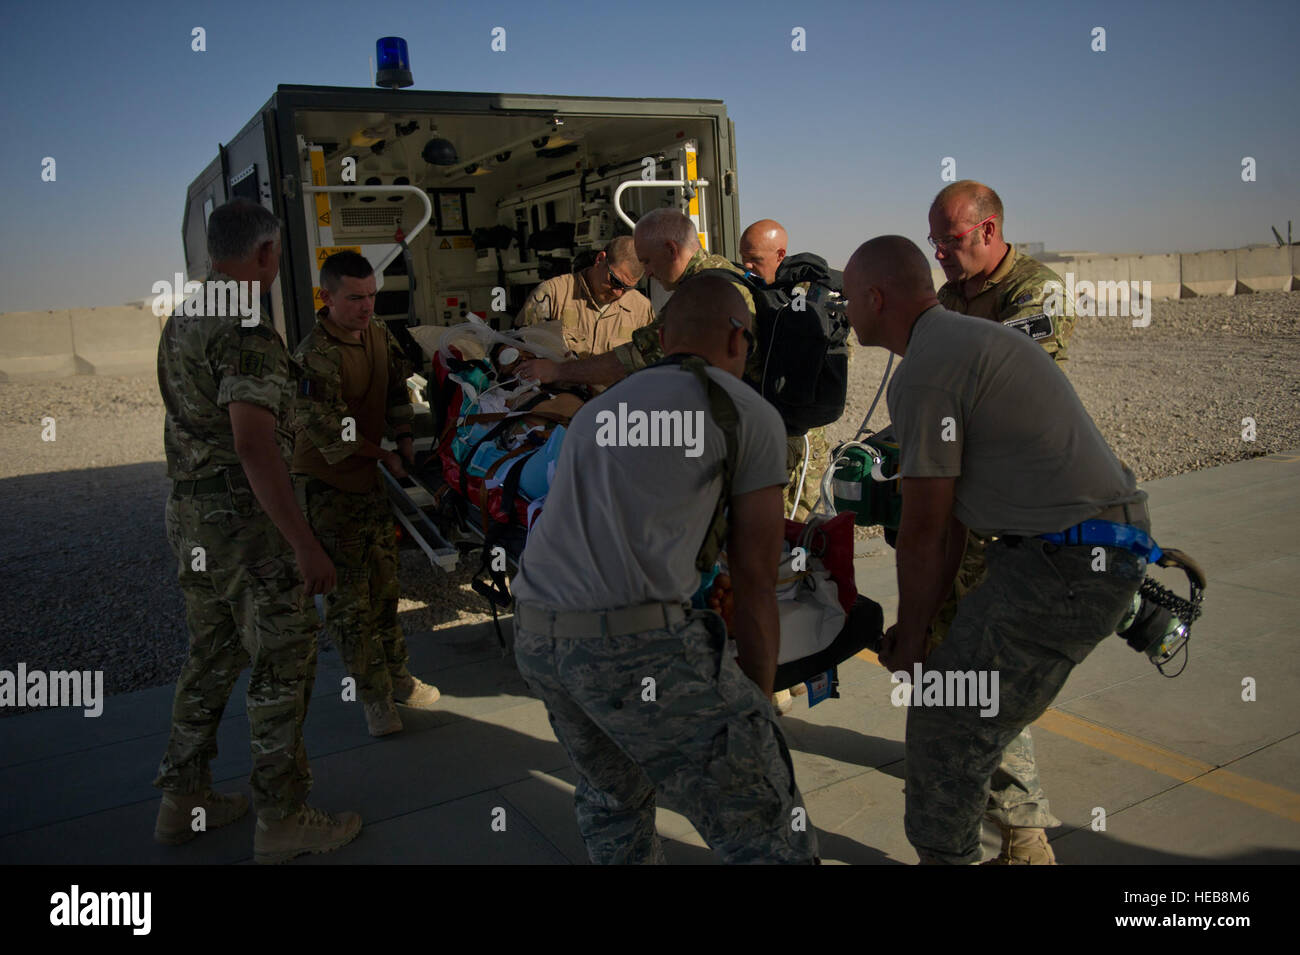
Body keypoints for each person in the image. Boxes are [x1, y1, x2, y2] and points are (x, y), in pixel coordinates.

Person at [844, 235, 1150, 866]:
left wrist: (913, 637)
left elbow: (924, 527)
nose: (845, 312)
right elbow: (955, 520)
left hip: (1064, 565)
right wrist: (922, 627)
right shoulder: (956, 341)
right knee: (970, 701)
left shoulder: (926, 371)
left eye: (850, 299)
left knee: (944, 721)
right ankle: (1020, 845)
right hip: (1074, 555)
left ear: (876, 298)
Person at [511, 274, 817, 864]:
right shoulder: (745, 411)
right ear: (736, 336)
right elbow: (756, 581)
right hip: (630, 648)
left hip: (539, 640)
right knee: (765, 823)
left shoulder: (601, 409)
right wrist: (753, 706)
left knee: (615, 797)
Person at [154, 199, 361, 864]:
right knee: (282, 661)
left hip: (192, 515)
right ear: (267, 254)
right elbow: (253, 442)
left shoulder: (188, 311)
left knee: (211, 657)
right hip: (246, 525)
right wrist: (303, 541)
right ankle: (281, 819)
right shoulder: (245, 324)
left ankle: (181, 801)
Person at [927, 181, 1074, 861]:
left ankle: (1023, 834)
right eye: (933, 239)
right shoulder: (952, 297)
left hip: (1012, 515)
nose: (939, 251)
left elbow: (1002, 385)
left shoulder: (1038, 291)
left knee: (988, 670)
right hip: (961, 505)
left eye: (950, 239)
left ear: (988, 231)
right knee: (948, 657)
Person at [292, 250, 442, 738]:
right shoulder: (314, 355)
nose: (365, 307)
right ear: (327, 297)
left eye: (372, 296)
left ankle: (396, 677)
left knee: (384, 587)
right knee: (349, 602)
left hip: (370, 478)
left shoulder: (377, 334)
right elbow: (329, 430)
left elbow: (397, 387)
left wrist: (402, 440)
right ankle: (374, 700)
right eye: (354, 298)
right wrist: (384, 454)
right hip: (329, 485)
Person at [514, 235, 654, 359]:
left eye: (627, 288)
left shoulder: (641, 309)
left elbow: (649, 363)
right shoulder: (553, 294)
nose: (619, 293)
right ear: (600, 259)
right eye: (616, 281)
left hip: (617, 388)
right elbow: (520, 351)